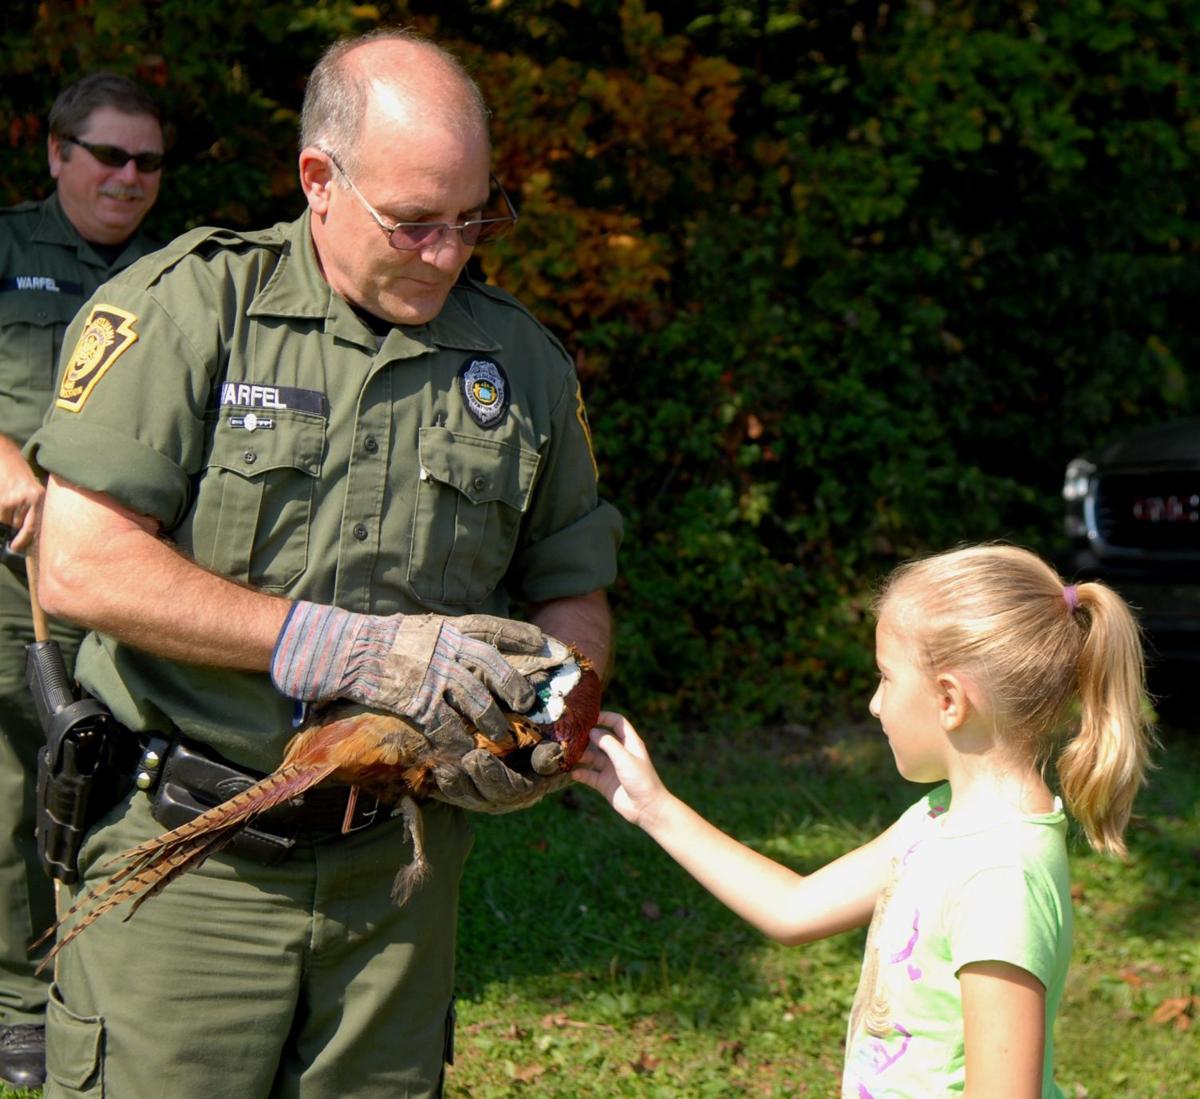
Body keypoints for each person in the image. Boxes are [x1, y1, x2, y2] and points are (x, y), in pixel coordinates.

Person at [26, 28, 620, 1099]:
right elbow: (79, 565)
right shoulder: (194, 308)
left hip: (394, 881)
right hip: (190, 865)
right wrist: (343, 646)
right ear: (319, 181)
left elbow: (572, 583)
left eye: (473, 218)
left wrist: (548, 719)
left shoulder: (519, 363)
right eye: (415, 222)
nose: (448, 253)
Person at [574, 544, 1154, 1099]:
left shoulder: (1001, 879)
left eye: (886, 676)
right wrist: (654, 807)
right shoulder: (938, 819)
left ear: (950, 699)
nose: (875, 703)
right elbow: (795, 908)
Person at [0, 70, 165, 1090]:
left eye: (148, 161)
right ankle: (20, 1006)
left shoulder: (179, 273)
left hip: (133, 577)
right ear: (58, 153)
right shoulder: (7, 246)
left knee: (123, 778)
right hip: (14, 569)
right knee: (18, 785)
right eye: (109, 154)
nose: (129, 177)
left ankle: (107, 988)